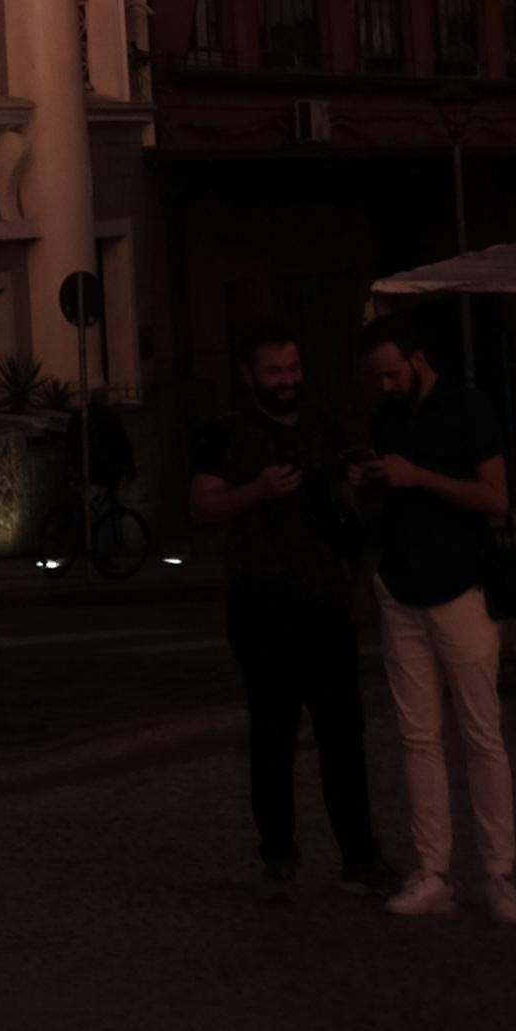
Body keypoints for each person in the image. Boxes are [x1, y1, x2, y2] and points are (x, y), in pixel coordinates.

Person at [187, 327, 393, 898]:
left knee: (343, 737)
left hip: (325, 604)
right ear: (248, 375)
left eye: (293, 368)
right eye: (275, 371)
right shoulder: (226, 435)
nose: (287, 381)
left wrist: (355, 489)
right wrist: (256, 490)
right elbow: (202, 506)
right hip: (261, 606)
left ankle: (361, 855)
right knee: (273, 736)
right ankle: (278, 853)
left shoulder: (323, 429)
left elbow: (349, 514)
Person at [355, 314, 516, 922]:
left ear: (418, 358)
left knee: (482, 734)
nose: (385, 385)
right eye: (376, 377)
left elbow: (495, 497)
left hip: (461, 591)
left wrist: (417, 476)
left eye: (392, 373)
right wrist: (370, 481)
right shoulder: (386, 417)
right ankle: (434, 872)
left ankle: (499, 875)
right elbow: (387, 501)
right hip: (401, 591)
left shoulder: (467, 408)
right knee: (417, 737)